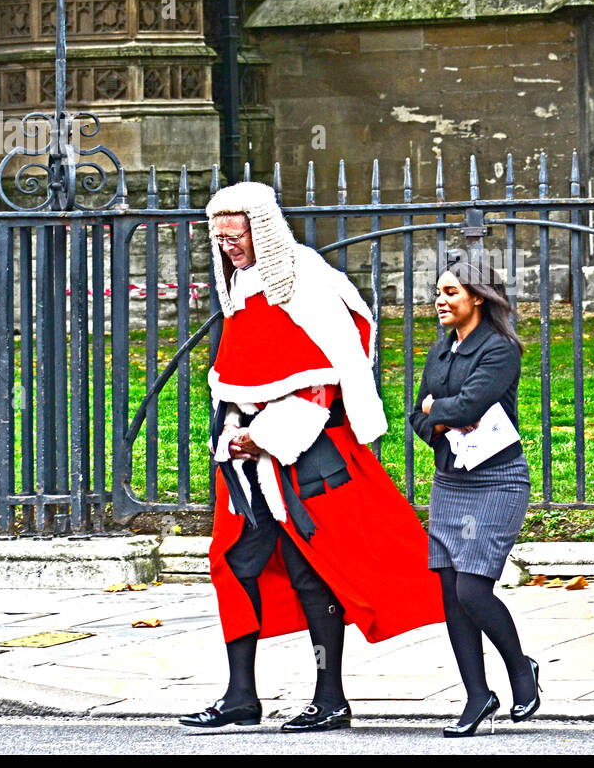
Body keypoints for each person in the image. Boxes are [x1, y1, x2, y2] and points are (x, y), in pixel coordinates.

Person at [180, 182, 443, 732]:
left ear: (263, 229)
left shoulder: (304, 278)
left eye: (238, 234)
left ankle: (331, 698)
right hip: (245, 462)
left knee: (313, 574)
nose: (228, 245)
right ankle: (240, 696)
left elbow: (333, 369)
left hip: (299, 455)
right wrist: (233, 433)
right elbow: (237, 378)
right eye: (221, 236)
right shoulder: (243, 287)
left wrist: (269, 435)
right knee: (233, 567)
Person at [409, 255, 539, 737]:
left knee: (472, 588)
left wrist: (438, 409)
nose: (439, 301)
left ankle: (520, 669)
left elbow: (471, 404)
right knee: (449, 592)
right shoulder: (440, 352)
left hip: (497, 480)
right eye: (438, 293)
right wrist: (440, 415)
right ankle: (477, 695)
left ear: (478, 297)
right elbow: (417, 418)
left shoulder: (500, 349)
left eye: (450, 293)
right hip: (450, 481)